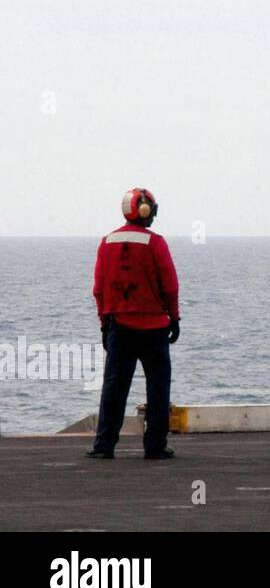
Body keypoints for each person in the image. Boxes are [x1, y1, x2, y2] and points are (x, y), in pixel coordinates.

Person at [86, 188, 181, 460]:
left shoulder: (107, 242)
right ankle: (155, 446)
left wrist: (104, 323)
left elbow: (100, 289)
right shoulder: (156, 243)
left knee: (114, 387)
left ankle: (104, 445)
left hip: (120, 327)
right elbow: (170, 286)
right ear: (145, 209)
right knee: (158, 388)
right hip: (153, 328)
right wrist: (174, 317)